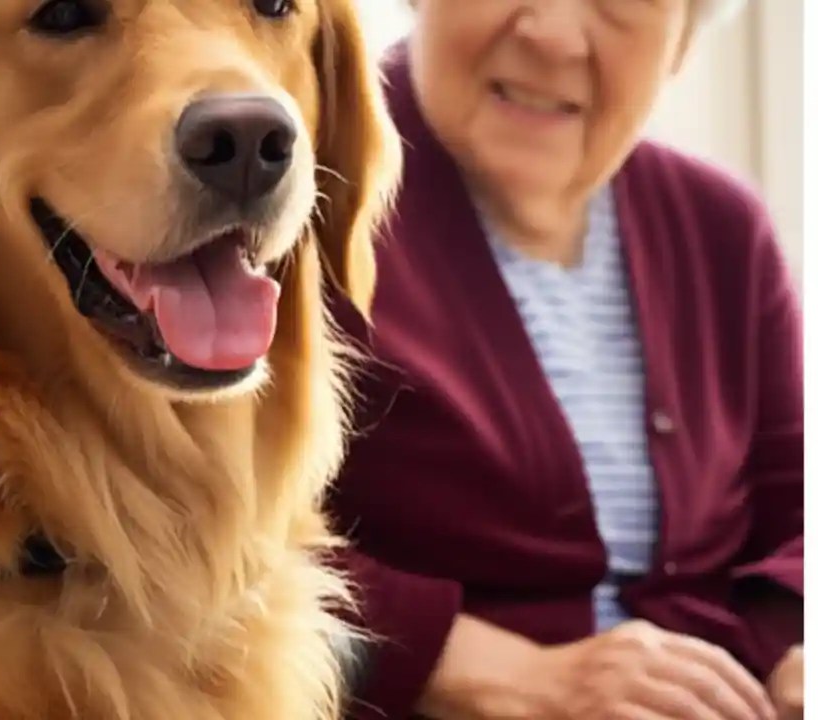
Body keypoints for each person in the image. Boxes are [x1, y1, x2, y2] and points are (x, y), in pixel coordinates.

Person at [327, 1, 803, 718]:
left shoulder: (724, 229)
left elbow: (798, 510)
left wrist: (795, 644)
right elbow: (202, 544)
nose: (551, 34)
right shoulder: (303, 191)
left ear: (683, 37)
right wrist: (511, 677)